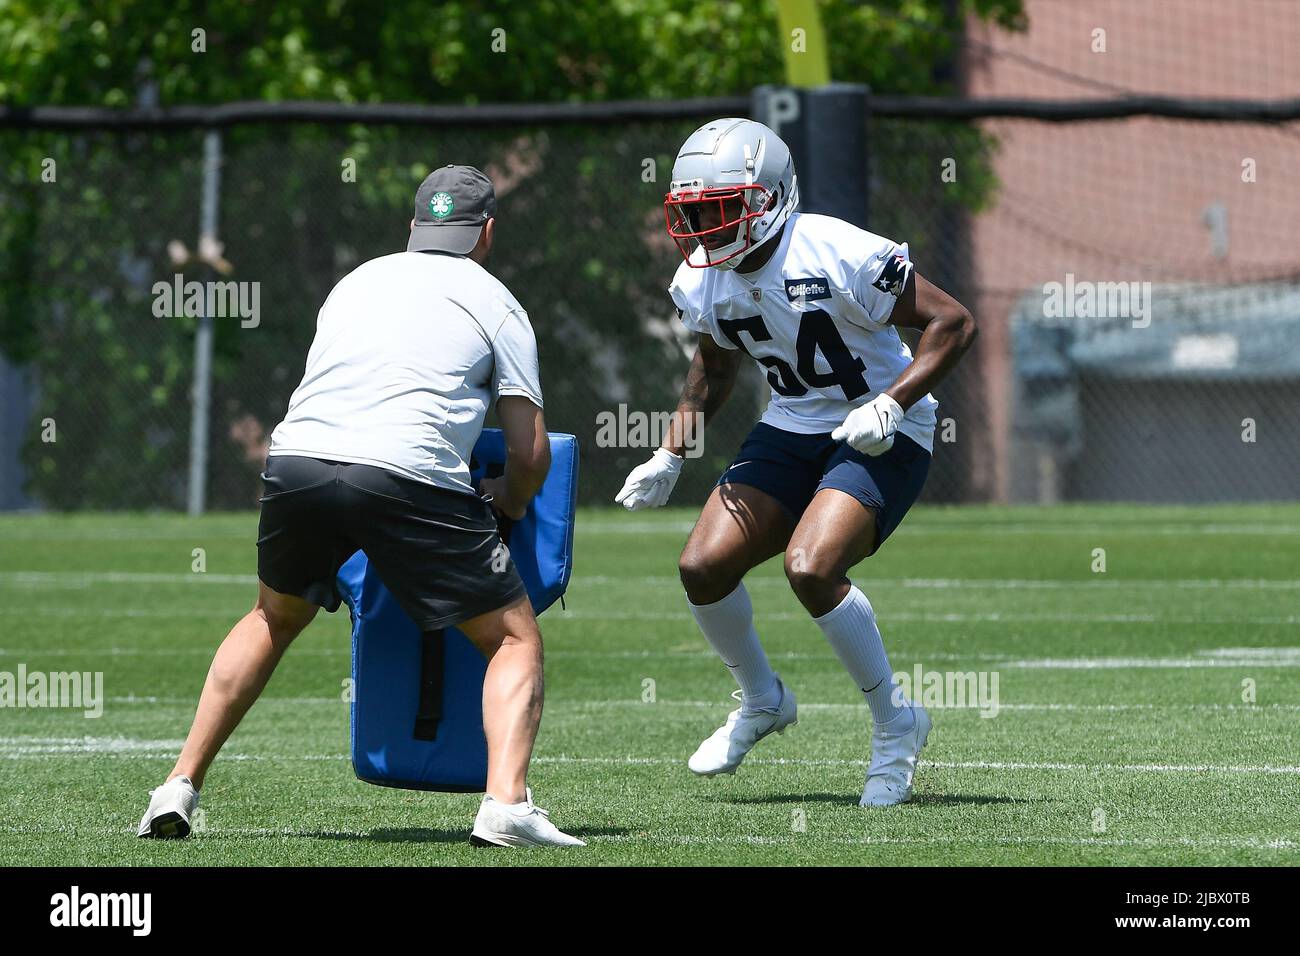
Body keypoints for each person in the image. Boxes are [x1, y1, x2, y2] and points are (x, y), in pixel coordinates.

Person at [139, 165, 583, 847]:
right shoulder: (498, 303)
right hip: (405, 475)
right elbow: (528, 455)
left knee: (271, 616)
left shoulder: (354, 282)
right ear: (487, 233)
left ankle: (177, 786)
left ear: (414, 228)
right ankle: (505, 804)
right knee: (514, 639)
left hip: (297, 463)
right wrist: (512, 503)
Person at [616, 119, 977, 806]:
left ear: (768, 200)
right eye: (694, 216)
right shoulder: (706, 281)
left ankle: (896, 723)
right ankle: (763, 699)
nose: (705, 233)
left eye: (720, 213)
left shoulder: (834, 248)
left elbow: (952, 322)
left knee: (811, 567)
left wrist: (893, 403)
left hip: (881, 427)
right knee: (701, 567)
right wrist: (670, 450)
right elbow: (714, 367)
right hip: (790, 424)